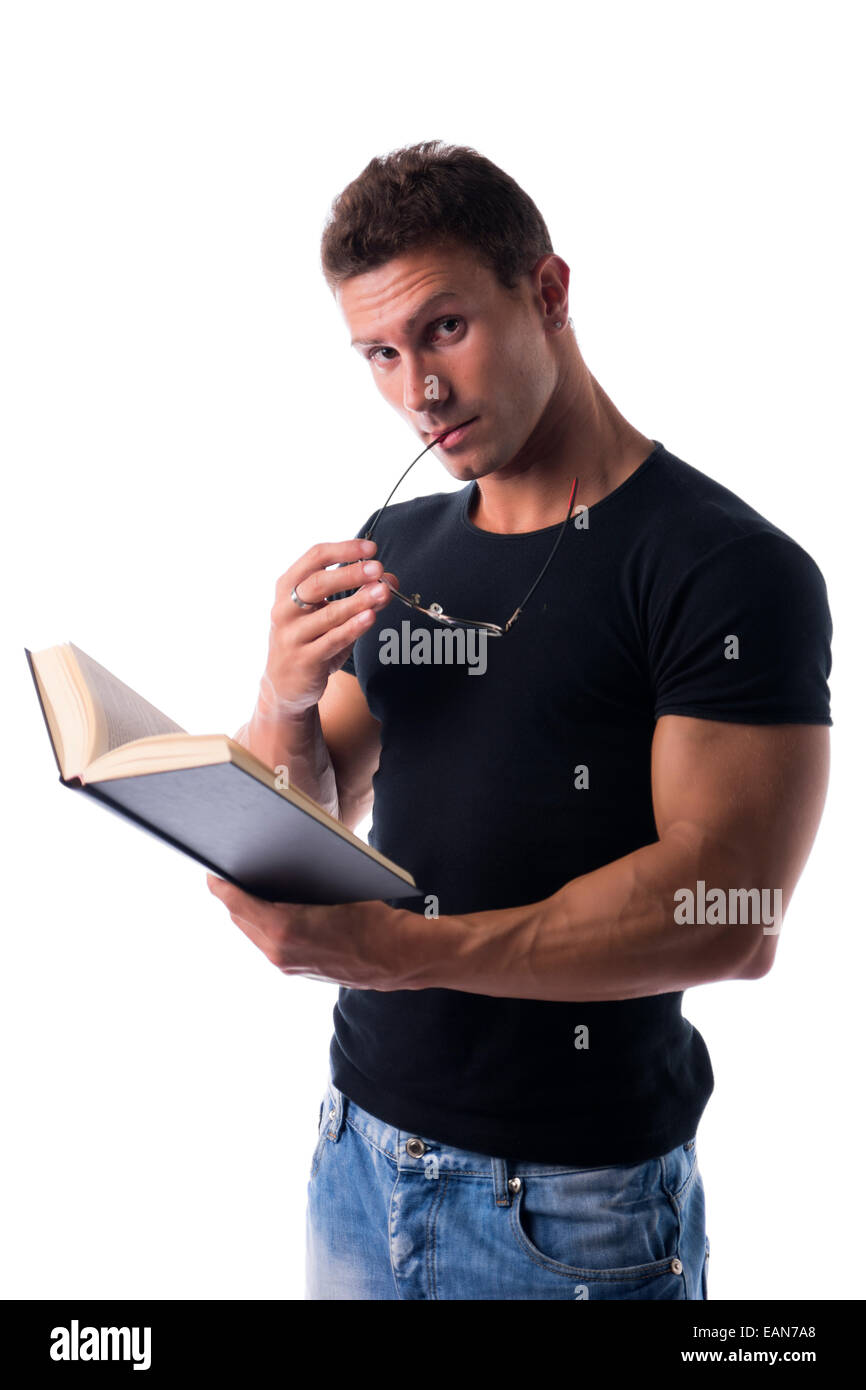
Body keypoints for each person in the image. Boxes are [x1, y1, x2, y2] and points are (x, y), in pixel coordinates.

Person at [206, 141, 832, 1300]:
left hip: (566, 1208)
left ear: (545, 292)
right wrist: (281, 695)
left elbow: (729, 912)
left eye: (442, 329)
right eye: (379, 354)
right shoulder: (399, 549)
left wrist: (400, 953)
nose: (416, 391)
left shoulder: (724, 567)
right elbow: (313, 818)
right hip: (357, 1151)